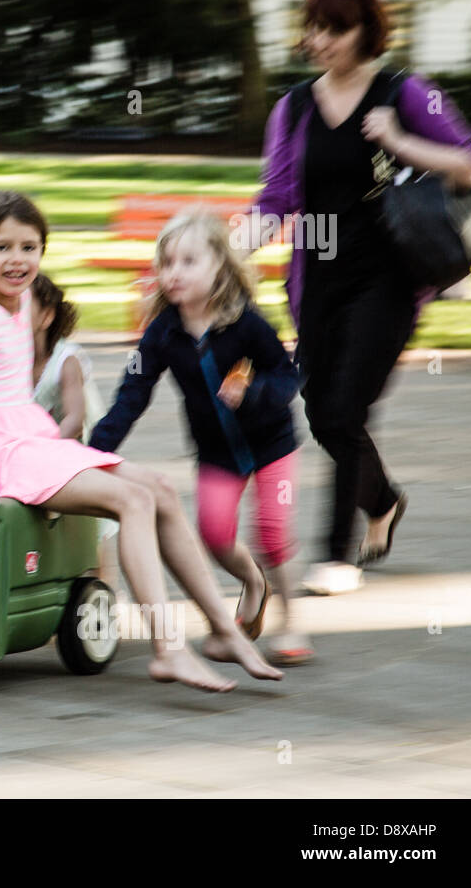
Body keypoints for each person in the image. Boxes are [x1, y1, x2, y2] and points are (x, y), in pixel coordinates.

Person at [0, 190, 283, 693]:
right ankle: (169, 649)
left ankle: (225, 629)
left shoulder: (23, 299)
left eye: (29, 248)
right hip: (0, 455)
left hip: (30, 440)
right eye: (2, 248)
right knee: (133, 500)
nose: (17, 260)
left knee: (160, 488)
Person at [246, 0, 471, 595]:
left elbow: (468, 164)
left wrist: (400, 139)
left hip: (386, 280)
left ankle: (336, 555)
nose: (320, 41)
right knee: (325, 416)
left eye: (336, 29)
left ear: (365, 32)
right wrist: (230, 247)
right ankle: (382, 501)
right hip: (315, 282)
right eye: (314, 27)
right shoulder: (293, 107)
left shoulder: (402, 92)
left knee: (347, 407)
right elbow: (275, 197)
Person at [89, 210, 311, 666]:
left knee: (271, 531)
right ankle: (254, 582)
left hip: (273, 446)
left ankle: (293, 622)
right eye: (166, 262)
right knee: (213, 534)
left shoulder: (245, 322)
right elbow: (133, 392)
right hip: (217, 455)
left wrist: (254, 395)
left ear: (220, 267)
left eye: (189, 261)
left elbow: (286, 375)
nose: (174, 272)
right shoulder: (163, 333)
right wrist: (93, 449)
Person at [29, 273, 121, 593]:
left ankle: (103, 591)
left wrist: (43, 450)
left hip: (80, 448)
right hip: (38, 451)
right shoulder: (11, 360)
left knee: (91, 528)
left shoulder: (65, 360)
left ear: (46, 315)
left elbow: (75, 419)